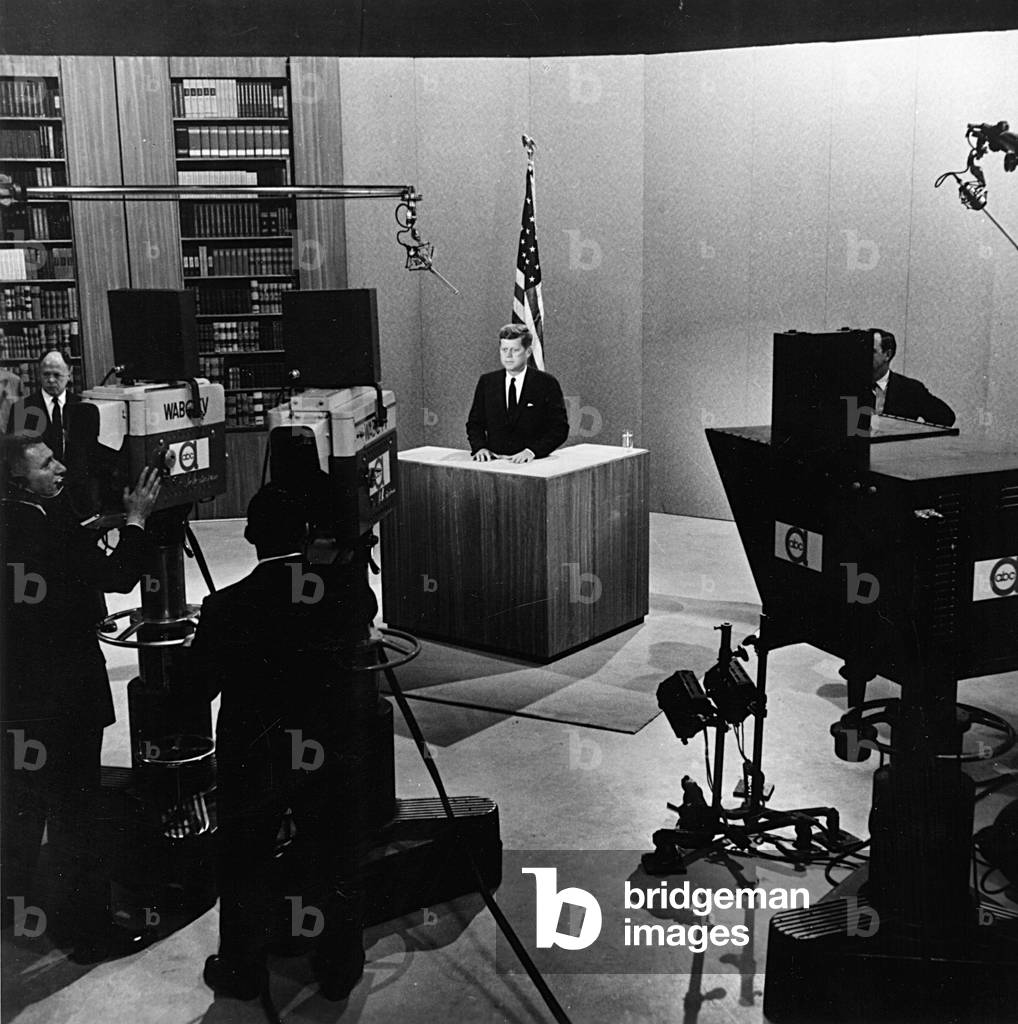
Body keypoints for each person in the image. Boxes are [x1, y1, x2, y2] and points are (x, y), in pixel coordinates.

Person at [189, 483, 378, 1002]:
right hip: (324, 749)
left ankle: (242, 969)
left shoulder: (223, 607)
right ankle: (339, 968)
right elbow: (365, 603)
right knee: (334, 852)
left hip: (255, 757)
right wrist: (339, 556)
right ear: (304, 535)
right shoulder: (337, 592)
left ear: (249, 537)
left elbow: (196, 689)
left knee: (244, 859)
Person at [0, 433, 161, 962]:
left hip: (16, 696)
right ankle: (87, 931)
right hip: (65, 696)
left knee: (23, 804)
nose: (61, 467)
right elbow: (117, 576)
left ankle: (13, 907)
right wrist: (137, 519)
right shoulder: (52, 529)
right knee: (77, 814)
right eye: (47, 464)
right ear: (20, 481)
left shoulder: (16, 520)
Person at [466, 323, 569, 463]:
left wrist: (532, 451)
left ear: (528, 352)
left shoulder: (546, 384)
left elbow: (559, 429)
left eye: (514, 350)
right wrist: (479, 447)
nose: (508, 356)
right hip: (493, 463)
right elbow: (475, 423)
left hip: (532, 464)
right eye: (504, 350)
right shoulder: (487, 382)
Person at [869, 328, 956, 426]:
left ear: (887, 355)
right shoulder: (850, 385)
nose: (864, 355)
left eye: (872, 351)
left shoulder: (910, 389)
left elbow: (947, 417)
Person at [5, 350, 81, 460]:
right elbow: (14, 456)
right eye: (46, 374)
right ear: (39, 373)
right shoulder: (21, 409)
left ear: (69, 373)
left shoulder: (81, 406)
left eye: (56, 375)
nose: (50, 380)